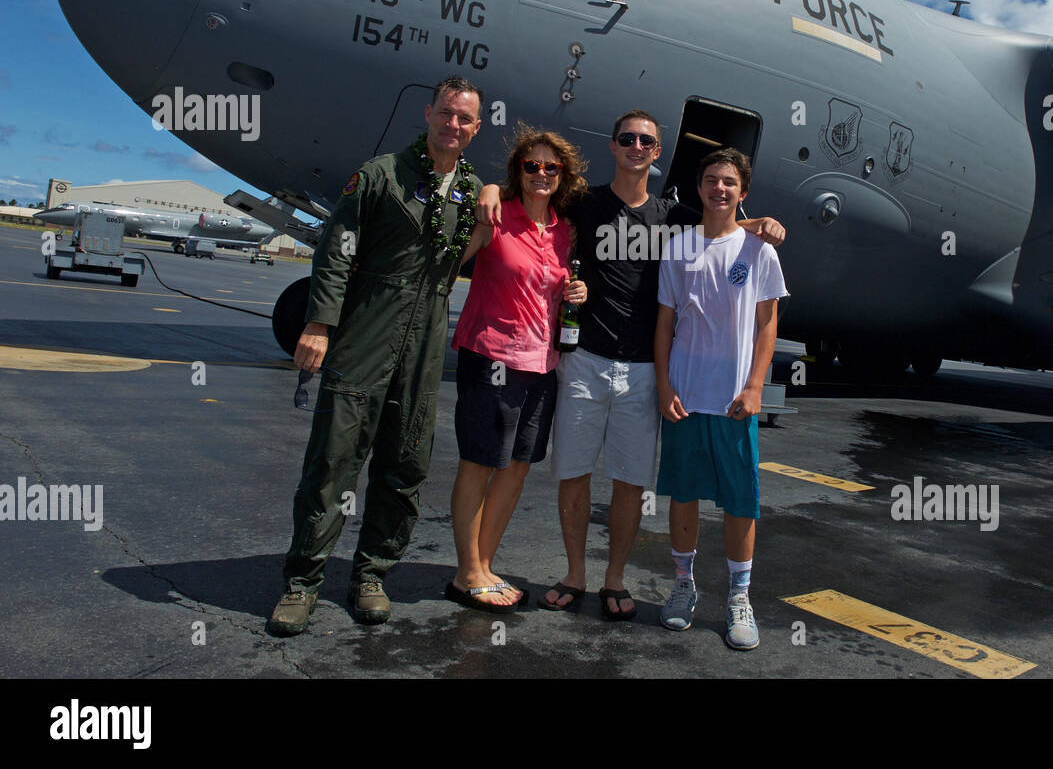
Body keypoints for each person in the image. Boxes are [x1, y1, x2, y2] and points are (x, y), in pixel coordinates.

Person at [476, 111, 784, 621]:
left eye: (646, 140)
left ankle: (614, 579)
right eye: (627, 138)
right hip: (584, 360)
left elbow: (722, 223)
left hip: (643, 369)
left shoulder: (673, 215)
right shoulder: (586, 202)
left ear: (658, 152)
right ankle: (575, 574)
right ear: (614, 145)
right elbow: (532, 193)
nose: (636, 146)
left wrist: (759, 223)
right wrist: (489, 187)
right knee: (573, 473)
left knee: (629, 481)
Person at [267, 76, 484, 636]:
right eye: (445, 114)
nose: (453, 125)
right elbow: (336, 251)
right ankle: (302, 581)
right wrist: (319, 323)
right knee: (334, 460)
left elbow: (469, 254)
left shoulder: (470, 190)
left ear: (475, 128)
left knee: (405, 462)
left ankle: (371, 575)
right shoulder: (380, 176)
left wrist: (492, 199)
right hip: (367, 329)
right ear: (429, 115)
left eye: (464, 119)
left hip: (428, 337)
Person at [445, 126, 589, 612]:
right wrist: (483, 191)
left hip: (543, 364)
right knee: (480, 462)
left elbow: (561, 287)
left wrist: (577, 293)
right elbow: (448, 260)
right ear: (517, 172)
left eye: (551, 167)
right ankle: (467, 573)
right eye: (532, 166)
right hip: (491, 357)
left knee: (518, 467)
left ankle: (483, 565)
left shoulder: (564, 231)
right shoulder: (495, 216)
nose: (541, 174)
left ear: (562, 174)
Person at [654, 148, 786, 650]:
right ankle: (684, 586)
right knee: (683, 496)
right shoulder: (678, 247)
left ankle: (738, 598)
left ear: (743, 192)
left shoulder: (760, 252)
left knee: (739, 502)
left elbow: (768, 323)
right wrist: (665, 385)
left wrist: (756, 386)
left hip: (734, 401)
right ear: (699, 187)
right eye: (711, 180)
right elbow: (665, 323)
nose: (719, 189)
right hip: (686, 398)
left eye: (729, 182)